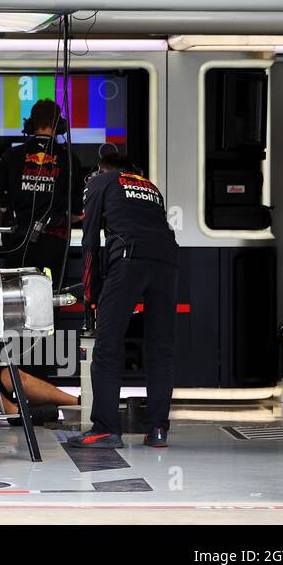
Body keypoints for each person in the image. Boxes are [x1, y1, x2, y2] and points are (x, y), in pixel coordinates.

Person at [69, 152, 179, 449]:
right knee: (160, 348)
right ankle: (157, 429)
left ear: (103, 169)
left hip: (129, 259)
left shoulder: (100, 182)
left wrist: (91, 295)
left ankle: (105, 428)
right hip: (168, 260)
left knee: (108, 344)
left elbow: (90, 240)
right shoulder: (151, 187)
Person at [0, 98, 84, 287]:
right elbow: (77, 214)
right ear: (59, 126)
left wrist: (3, 226)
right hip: (55, 242)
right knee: (51, 300)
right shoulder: (71, 160)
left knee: (16, 303)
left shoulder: (11, 155)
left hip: (17, 242)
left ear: (30, 125)